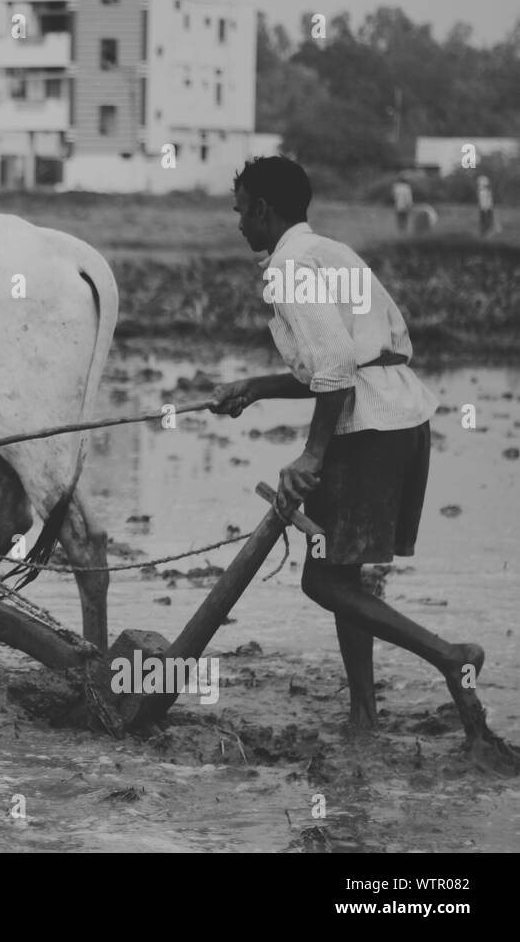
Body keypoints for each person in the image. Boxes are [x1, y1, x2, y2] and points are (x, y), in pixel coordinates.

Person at [211, 155, 485, 737]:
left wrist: (312, 455)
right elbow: (347, 362)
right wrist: (255, 388)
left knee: (323, 581)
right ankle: (364, 713)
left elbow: (335, 365)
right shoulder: (329, 252)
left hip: (368, 431)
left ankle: (450, 656)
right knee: (344, 577)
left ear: (262, 209)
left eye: (241, 211)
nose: (237, 224)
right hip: (399, 418)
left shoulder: (289, 266)